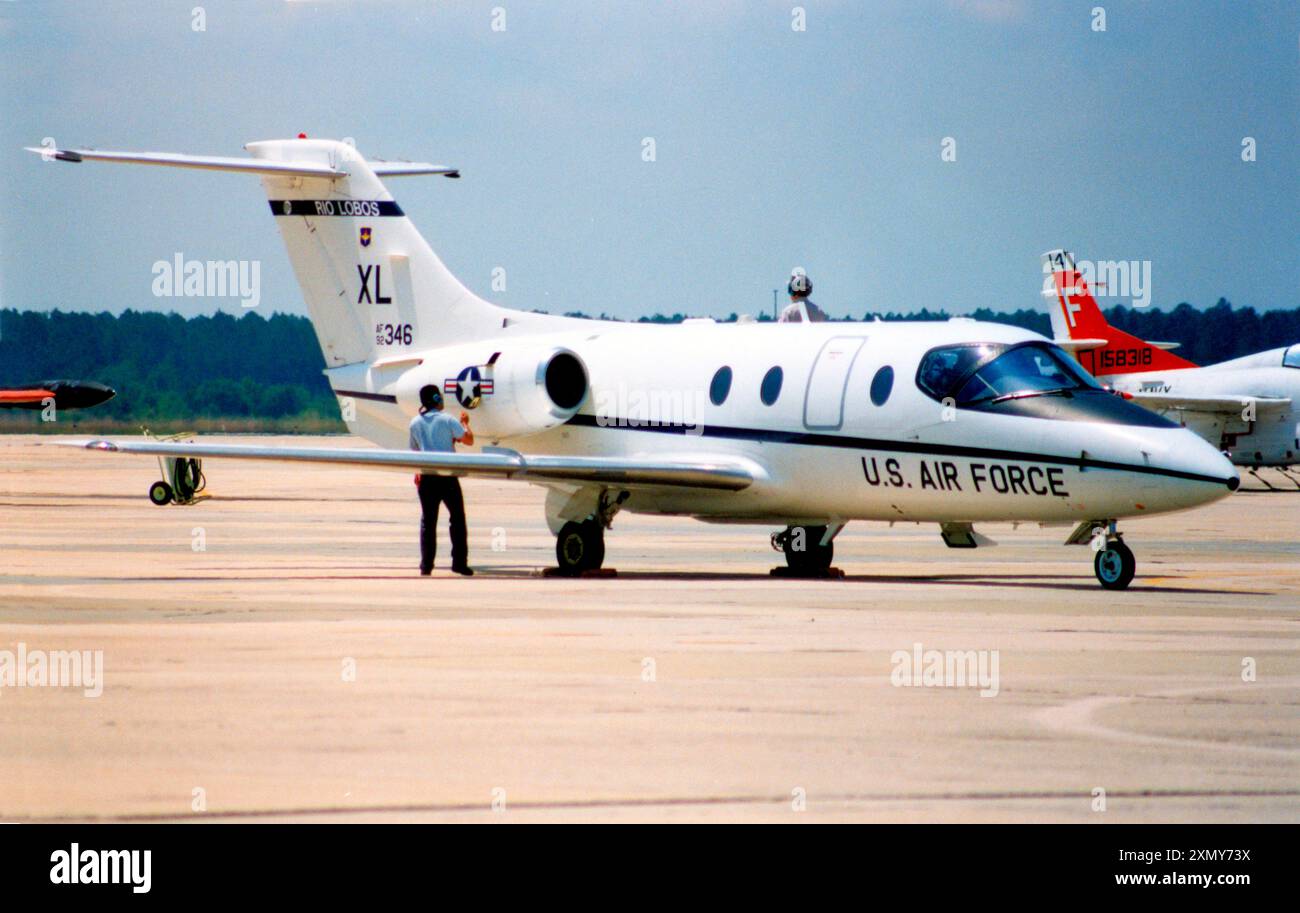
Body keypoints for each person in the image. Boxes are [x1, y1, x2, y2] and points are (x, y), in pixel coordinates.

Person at [409, 384, 475, 576]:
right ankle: (459, 563)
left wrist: (417, 472)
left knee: (428, 522)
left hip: (427, 476)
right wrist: (465, 423)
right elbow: (469, 439)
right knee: (457, 519)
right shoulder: (448, 420)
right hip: (447, 477)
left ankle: (426, 565)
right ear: (437, 399)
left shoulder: (415, 423)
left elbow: (414, 451)